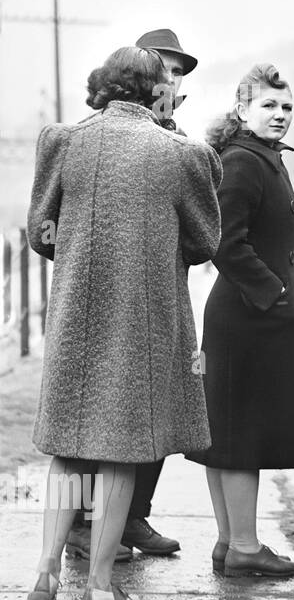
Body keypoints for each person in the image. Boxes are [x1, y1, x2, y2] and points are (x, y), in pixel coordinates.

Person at [25, 46, 221, 600]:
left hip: (74, 320)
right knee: (120, 456)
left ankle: (44, 574)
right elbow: (205, 241)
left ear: (103, 87)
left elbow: (41, 232)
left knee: (66, 450)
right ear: (156, 91)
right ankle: (101, 588)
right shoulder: (184, 156)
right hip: (143, 320)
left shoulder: (62, 141)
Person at [64, 28, 199, 563]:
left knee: (148, 411)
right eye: (163, 68)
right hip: (91, 298)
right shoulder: (84, 133)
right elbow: (49, 224)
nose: (171, 79)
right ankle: (78, 524)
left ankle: (130, 516)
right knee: (78, 422)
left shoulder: (180, 142)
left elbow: (199, 230)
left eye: (179, 72)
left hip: (155, 297)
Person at [186, 63, 294, 578]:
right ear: (242, 111)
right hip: (247, 316)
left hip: (250, 314)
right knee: (243, 433)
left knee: (232, 432)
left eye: (286, 107)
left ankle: (227, 541)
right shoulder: (243, 161)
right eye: (268, 106)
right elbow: (224, 242)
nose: (280, 115)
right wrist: (276, 294)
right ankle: (243, 545)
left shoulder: (264, 158)